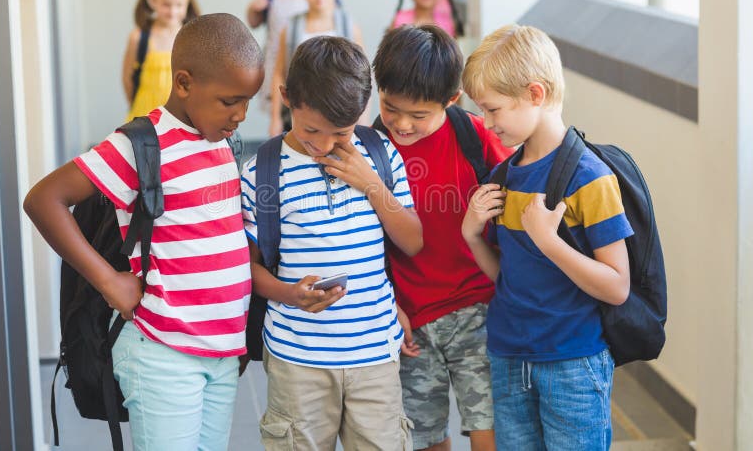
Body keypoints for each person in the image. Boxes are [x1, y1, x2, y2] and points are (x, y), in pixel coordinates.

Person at [24, 13, 264, 451]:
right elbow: (44, 200)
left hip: (222, 351)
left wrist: (234, 337)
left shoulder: (222, 142)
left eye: (248, 101)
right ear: (185, 83)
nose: (241, 115)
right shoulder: (139, 145)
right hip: (162, 351)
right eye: (231, 101)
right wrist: (109, 281)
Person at [241, 36, 422, 450]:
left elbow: (412, 241)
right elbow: (247, 268)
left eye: (341, 132)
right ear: (286, 97)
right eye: (310, 130)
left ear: (364, 111)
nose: (323, 145)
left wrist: (372, 185)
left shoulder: (379, 155)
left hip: (375, 354)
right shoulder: (261, 172)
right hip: (296, 361)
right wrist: (289, 293)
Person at [460, 24, 633, 450]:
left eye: (493, 109)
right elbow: (511, 276)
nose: (486, 123)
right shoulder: (507, 175)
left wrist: (550, 241)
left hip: (571, 362)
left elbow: (617, 286)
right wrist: (473, 237)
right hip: (509, 356)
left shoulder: (590, 177)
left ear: (535, 94)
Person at [372, 25, 511, 451]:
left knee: (489, 429)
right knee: (426, 435)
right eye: (391, 108)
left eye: (419, 116)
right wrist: (389, 305)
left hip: (480, 309)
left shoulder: (475, 137)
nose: (402, 124)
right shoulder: (372, 150)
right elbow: (364, 240)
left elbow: (513, 214)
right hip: (412, 321)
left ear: (452, 100)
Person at [268, 0, 363, 137]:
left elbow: (362, 74)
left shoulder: (348, 26)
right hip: (299, 114)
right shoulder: (290, 28)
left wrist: (363, 117)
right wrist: (275, 118)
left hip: (341, 113)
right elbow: (279, 73)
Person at [122, 0, 200, 121]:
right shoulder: (138, 37)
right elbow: (127, 78)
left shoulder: (193, 37)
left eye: (179, 5)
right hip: (145, 116)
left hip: (182, 118)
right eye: (166, 5)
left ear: (188, 3)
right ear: (152, 0)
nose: (172, 11)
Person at [246, 0, 308, 112]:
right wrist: (253, 9)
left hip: (304, 62)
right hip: (276, 62)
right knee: (278, 106)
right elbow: (254, 22)